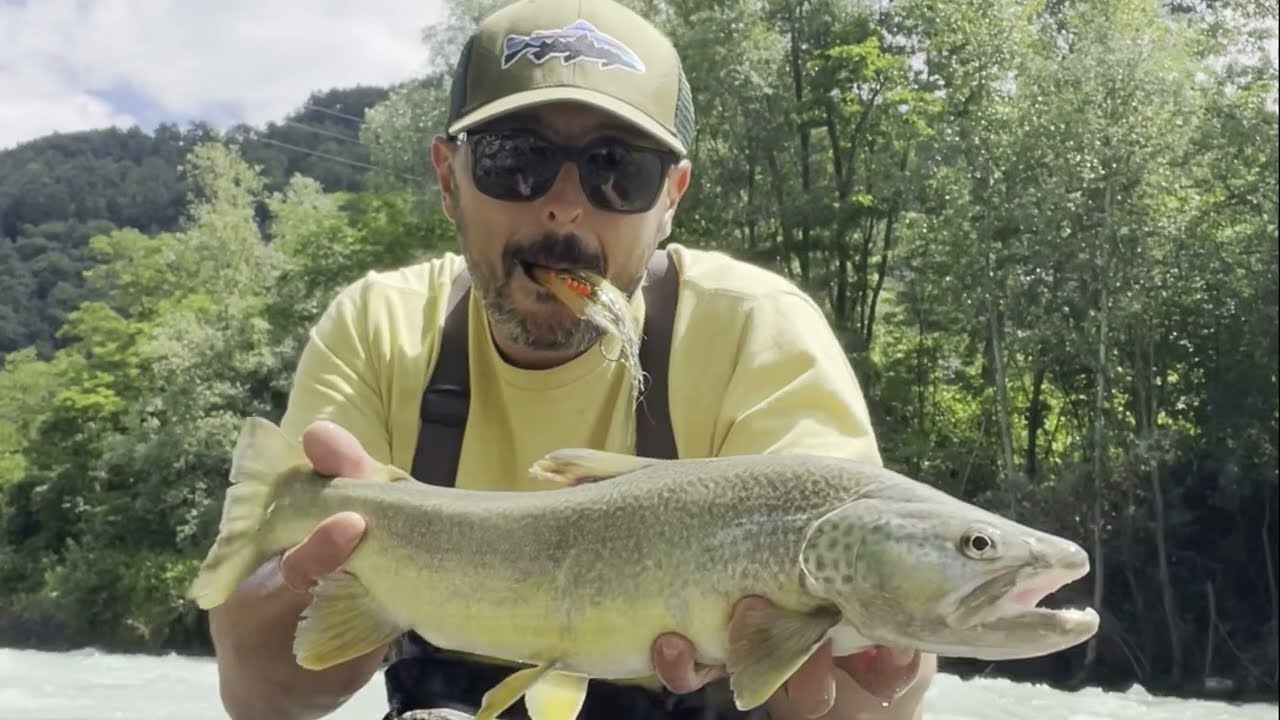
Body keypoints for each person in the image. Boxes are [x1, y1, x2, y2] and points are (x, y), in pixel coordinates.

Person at [205, 0, 936, 718]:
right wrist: (313, 579)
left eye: (618, 169)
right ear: (448, 179)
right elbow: (261, 699)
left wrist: (879, 677)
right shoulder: (380, 330)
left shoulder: (756, 332)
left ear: (671, 199)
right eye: (516, 159)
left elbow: (873, 690)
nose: (563, 207)